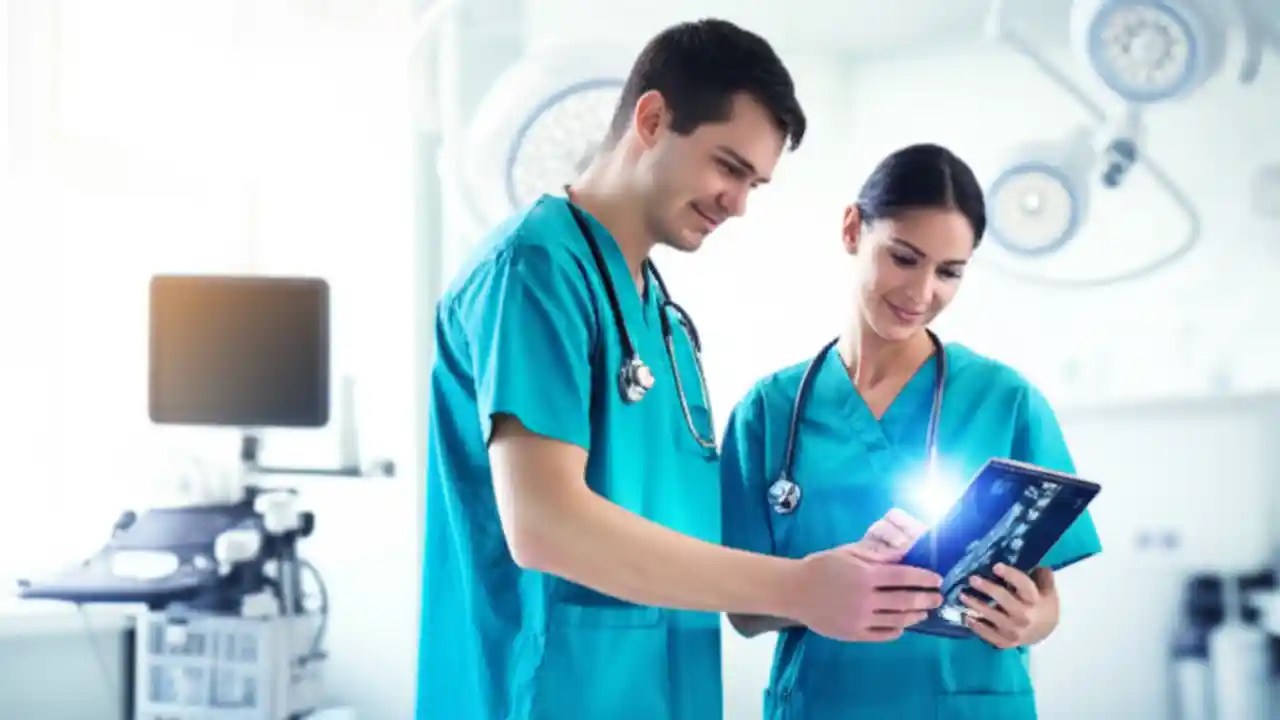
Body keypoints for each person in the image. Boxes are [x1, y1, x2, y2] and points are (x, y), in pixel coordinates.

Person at [415, 19, 946, 720]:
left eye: (754, 182)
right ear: (653, 117)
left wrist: (848, 567)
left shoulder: (664, 322)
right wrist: (799, 588)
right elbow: (543, 523)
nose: (739, 203)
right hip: (547, 695)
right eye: (728, 167)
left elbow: (682, 536)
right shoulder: (535, 270)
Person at [720, 143, 1103, 719]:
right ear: (852, 230)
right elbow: (744, 612)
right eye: (903, 258)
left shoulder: (1007, 401)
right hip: (824, 703)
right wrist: (825, 587)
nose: (923, 293)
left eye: (950, 272)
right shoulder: (768, 412)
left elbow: (1044, 600)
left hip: (968, 703)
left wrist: (1031, 620)